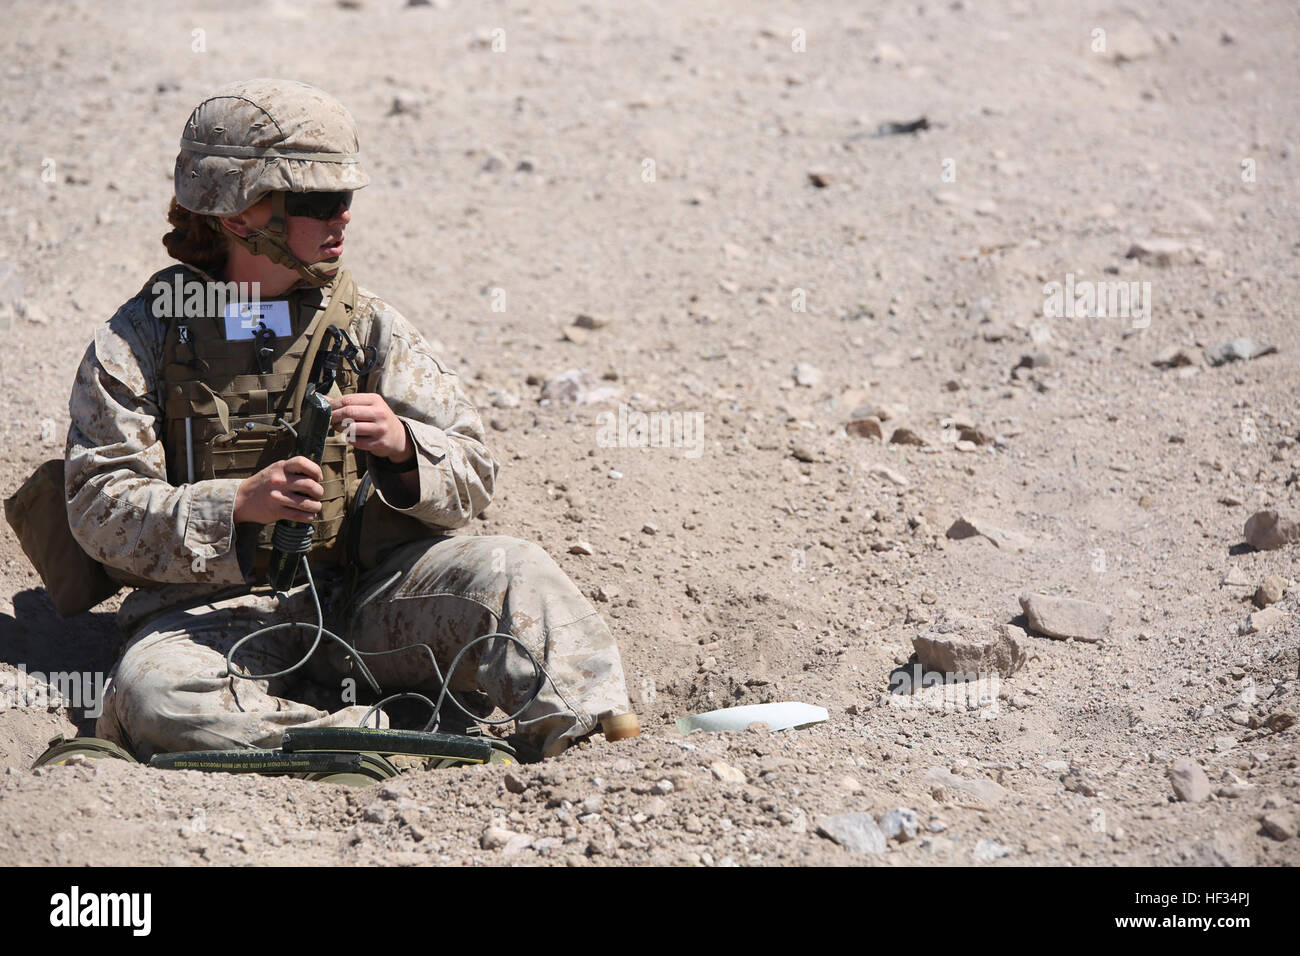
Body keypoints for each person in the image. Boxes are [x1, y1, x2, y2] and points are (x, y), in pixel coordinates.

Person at [66, 78, 638, 762]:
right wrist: (237, 507)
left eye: (344, 198)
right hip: (214, 617)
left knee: (513, 570)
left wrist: (404, 450)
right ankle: (377, 739)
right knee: (154, 696)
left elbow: (475, 475)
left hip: (367, 601)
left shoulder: (367, 327)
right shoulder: (140, 341)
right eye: (314, 201)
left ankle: (589, 734)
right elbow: (100, 505)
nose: (340, 218)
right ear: (238, 211)